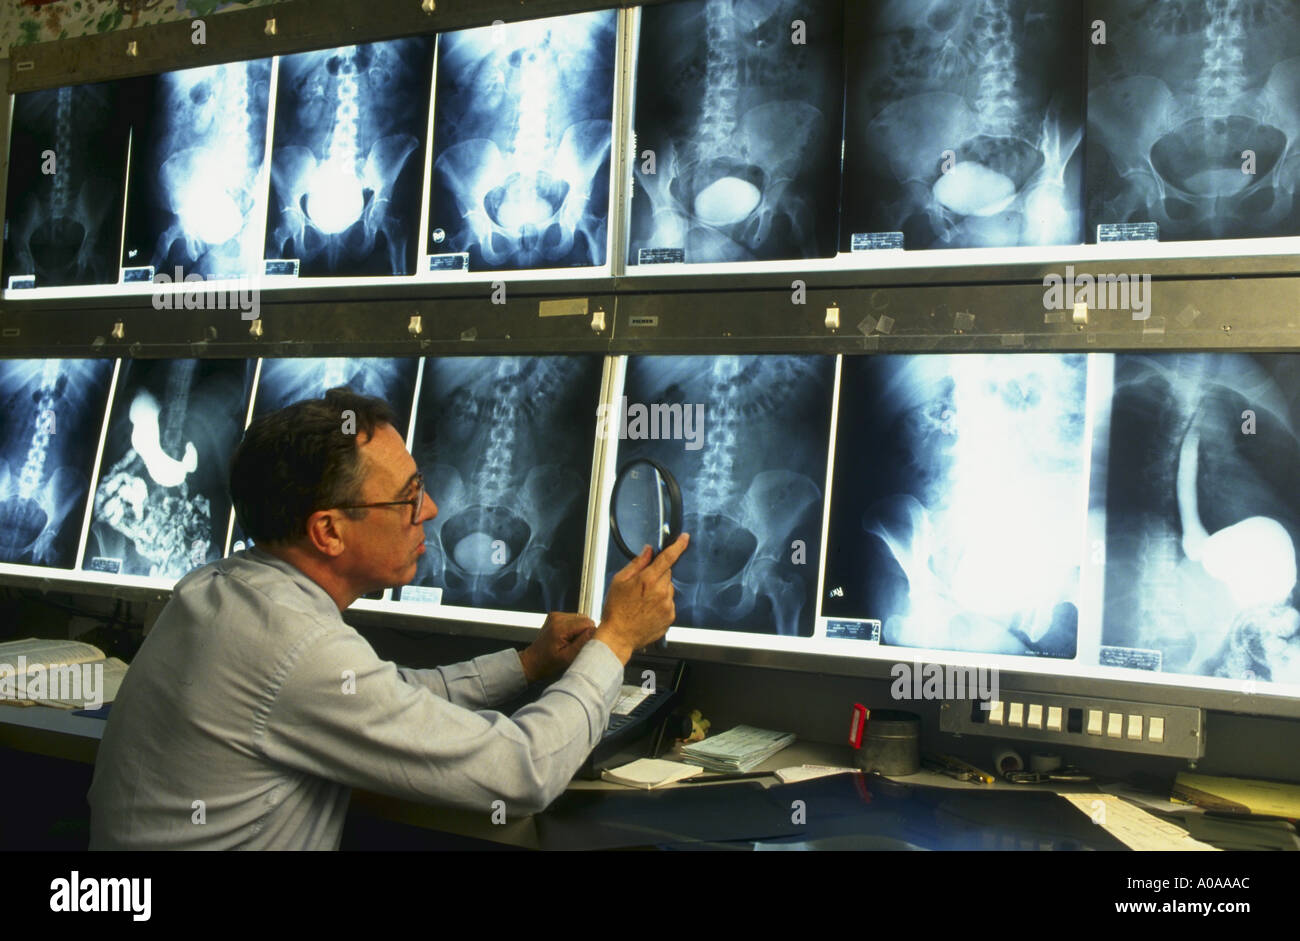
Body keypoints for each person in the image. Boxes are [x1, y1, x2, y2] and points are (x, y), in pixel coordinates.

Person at [87, 387, 690, 849]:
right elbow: (521, 772)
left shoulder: (217, 588)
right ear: (327, 530)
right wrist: (615, 640)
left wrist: (527, 665)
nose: (429, 508)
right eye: (406, 497)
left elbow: (384, 696)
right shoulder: (296, 649)